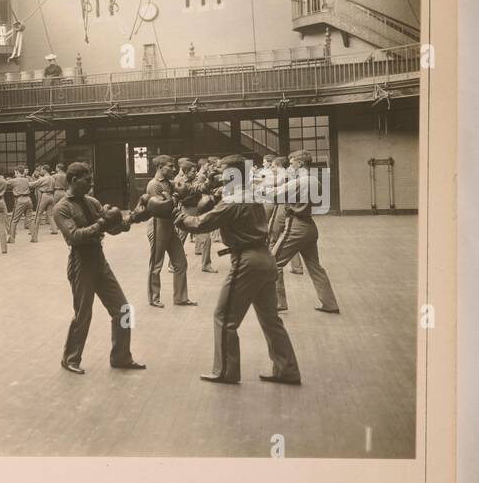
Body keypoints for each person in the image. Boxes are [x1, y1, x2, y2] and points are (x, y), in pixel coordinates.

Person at [175, 155, 301, 384]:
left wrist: (180, 216)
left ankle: (226, 371)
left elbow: (202, 223)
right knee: (271, 319)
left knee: (223, 317)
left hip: (246, 261)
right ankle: (287, 369)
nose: (219, 176)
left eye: (223, 172)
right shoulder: (250, 193)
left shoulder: (234, 199)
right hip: (265, 259)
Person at [52, 163, 146, 374]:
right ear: (74, 180)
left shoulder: (92, 202)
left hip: (99, 261)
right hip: (81, 263)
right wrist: (103, 223)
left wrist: (134, 217)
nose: (92, 183)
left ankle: (121, 357)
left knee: (123, 308)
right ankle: (70, 359)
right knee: (83, 314)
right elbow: (74, 237)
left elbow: (112, 228)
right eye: (87, 179)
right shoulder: (62, 208)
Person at [265, 150, 340, 314]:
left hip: (296, 225)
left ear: (299, 164)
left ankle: (279, 302)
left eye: (292, 164)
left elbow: (272, 194)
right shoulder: (315, 181)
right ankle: (330, 303)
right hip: (310, 226)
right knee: (315, 266)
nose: (290, 167)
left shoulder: (298, 182)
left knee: (273, 262)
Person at [137, 154, 195, 308]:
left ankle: (181, 298)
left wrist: (177, 194)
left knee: (181, 262)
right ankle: (153, 298)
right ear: (160, 167)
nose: (174, 169)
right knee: (156, 264)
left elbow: (181, 196)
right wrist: (175, 198)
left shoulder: (170, 183)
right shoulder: (154, 185)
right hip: (158, 225)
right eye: (170, 166)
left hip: (170, 225)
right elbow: (162, 208)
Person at [8, 166, 49, 242]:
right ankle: (34, 238)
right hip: (28, 200)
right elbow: (32, 184)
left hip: (19, 200)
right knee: (30, 220)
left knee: (14, 220)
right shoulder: (27, 180)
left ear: (17, 172)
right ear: (23, 172)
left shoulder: (14, 180)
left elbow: (5, 183)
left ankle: (11, 238)